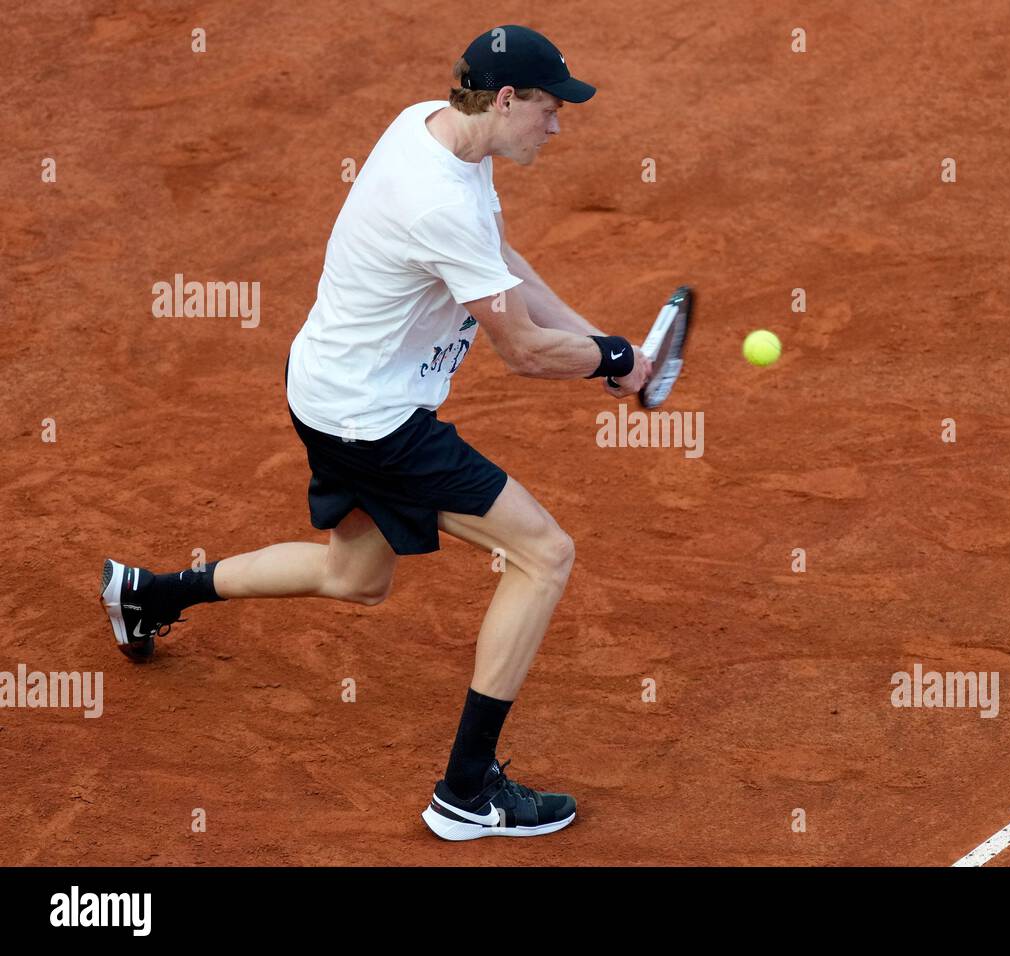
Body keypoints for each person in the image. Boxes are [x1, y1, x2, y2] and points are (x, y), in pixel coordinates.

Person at [99, 24, 651, 841]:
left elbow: (499, 256)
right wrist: (612, 355)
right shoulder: (441, 201)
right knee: (545, 555)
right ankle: (467, 793)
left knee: (354, 578)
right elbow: (525, 353)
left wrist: (610, 353)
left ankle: (145, 595)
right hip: (375, 425)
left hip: (325, 387)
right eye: (548, 107)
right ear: (505, 100)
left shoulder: (429, 126)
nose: (556, 125)